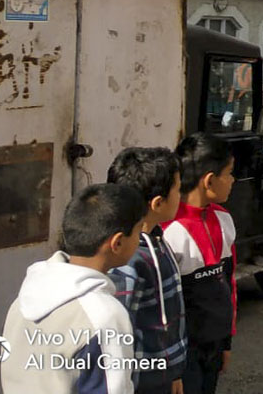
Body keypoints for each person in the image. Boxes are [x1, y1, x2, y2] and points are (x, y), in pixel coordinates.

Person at [2, 183, 146, 394]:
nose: (139, 240)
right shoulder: (104, 315)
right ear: (117, 243)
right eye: (137, 232)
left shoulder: (23, 299)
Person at [107, 147, 187, 394]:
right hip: (140, 383)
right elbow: (116, 338)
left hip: (163, 374)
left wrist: (173, 372)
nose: (181, 195)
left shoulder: (157, 240)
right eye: (177, 189)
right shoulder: (127, 261)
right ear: (157, 203)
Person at [163, 133, 237, 394]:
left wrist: (227, 341)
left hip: (214, 346)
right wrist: (171, 368)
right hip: (184, 354)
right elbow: (165, 310)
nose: (232, 180)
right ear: (209, 180)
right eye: (229, 174)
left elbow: (229, 284)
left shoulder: (224, 220)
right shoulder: (169, 231)